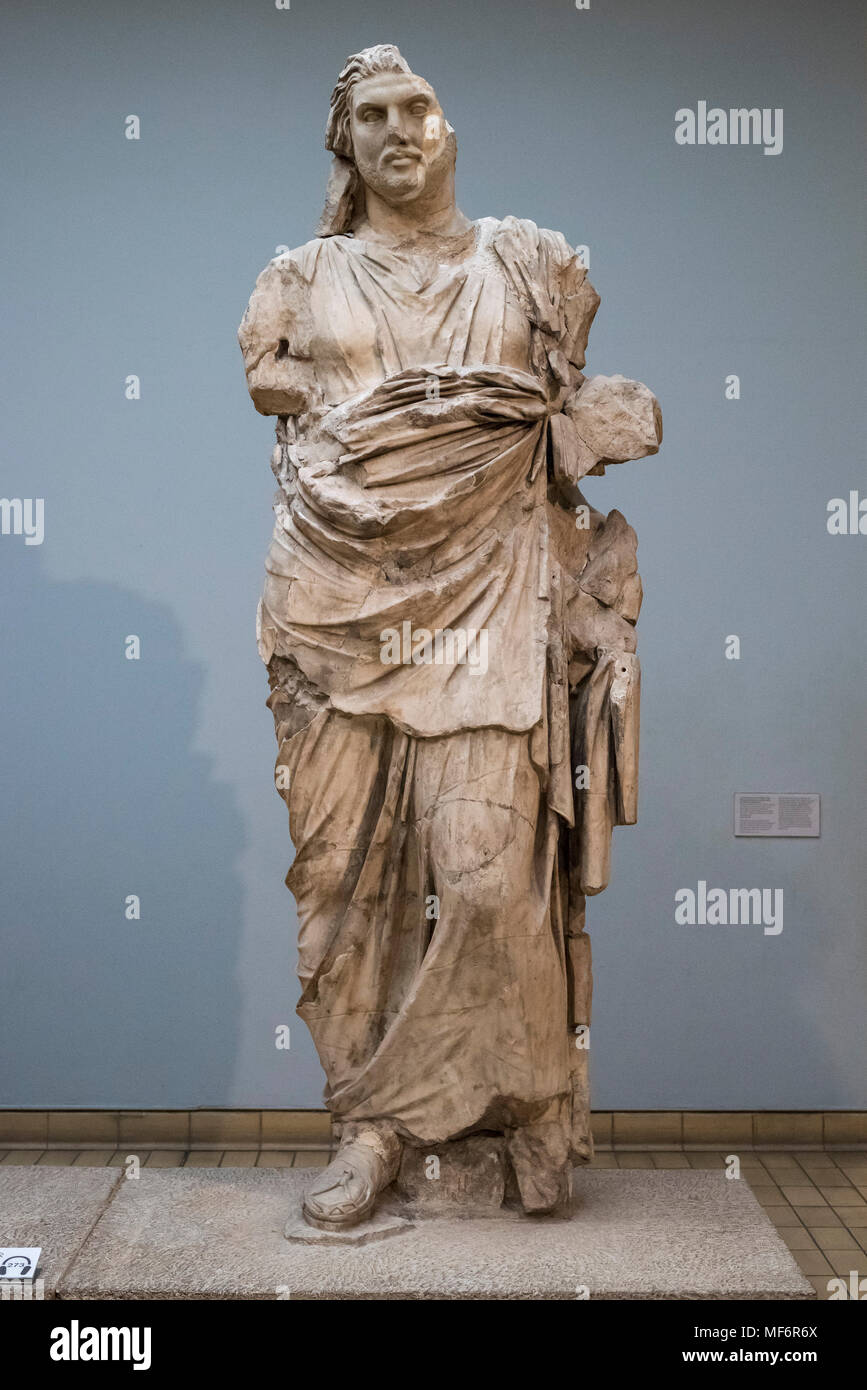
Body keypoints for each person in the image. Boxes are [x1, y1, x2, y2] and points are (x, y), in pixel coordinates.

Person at [239, 44, 660, 1231]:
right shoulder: (297, 280)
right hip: (333, 604)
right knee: (343, 884)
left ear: (449, 129)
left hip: (489, 604)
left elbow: (570, 432)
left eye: (416, 107)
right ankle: (366, 1131)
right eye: (370, 115)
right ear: (345, 143)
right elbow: (286, 407)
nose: (397, 130)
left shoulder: (528, 265)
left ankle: (510, 1098)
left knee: (483, 879)